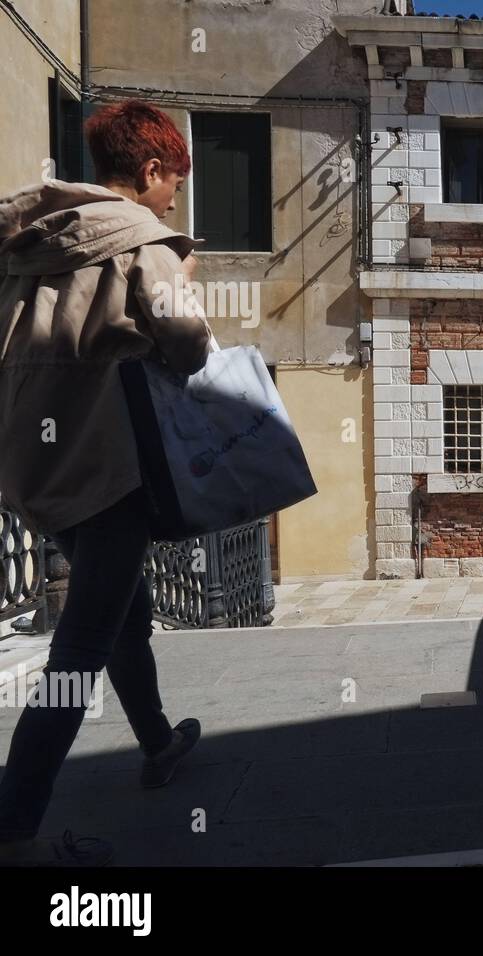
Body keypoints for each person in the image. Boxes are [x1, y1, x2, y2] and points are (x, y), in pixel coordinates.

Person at [0, 101, 214, 866]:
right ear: (152, 172)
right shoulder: (141, 242)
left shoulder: (33, 239)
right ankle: (15, 828)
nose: (174, 202)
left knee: (125, 606)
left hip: (31, 466)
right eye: (175, 187)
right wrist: (181, 277)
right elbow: (188, 348)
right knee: (79, 654)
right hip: (103, 466)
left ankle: (157, 742)